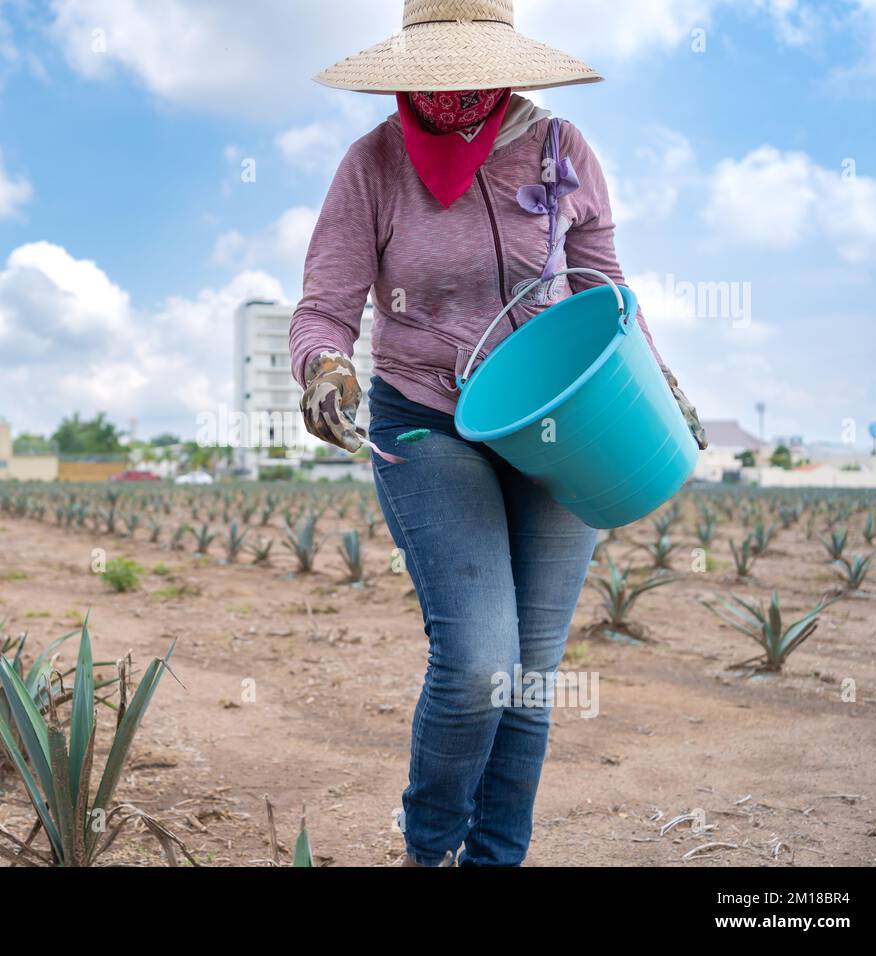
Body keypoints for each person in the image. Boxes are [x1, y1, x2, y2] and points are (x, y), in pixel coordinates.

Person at [291, 0, 706, 867]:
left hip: (560, 419)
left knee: (527, 679)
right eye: (436, 73)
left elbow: (604, 285)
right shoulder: (371, 165)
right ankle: (429, 851)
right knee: (481, 661)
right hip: (424, 416)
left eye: (472, 68)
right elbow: (325, 309)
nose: (455, 92)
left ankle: (496, 859)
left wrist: (657, 378)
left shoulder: (562, 149)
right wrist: (325, 369)